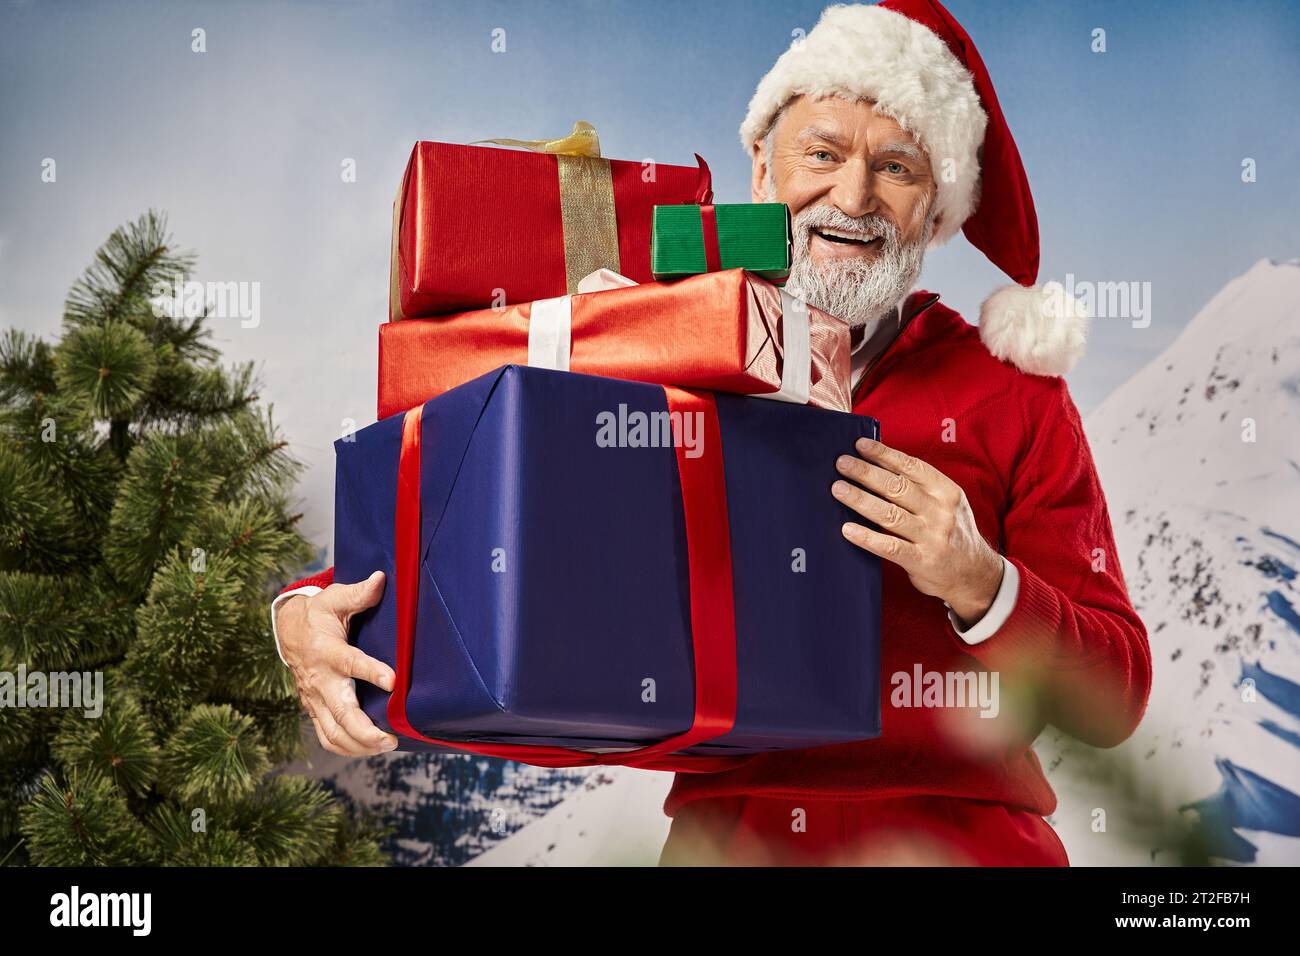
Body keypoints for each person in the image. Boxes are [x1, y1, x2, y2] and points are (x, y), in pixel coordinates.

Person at [272, 0, 1152, 866]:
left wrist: (979, 580)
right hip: (728, 839)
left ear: (937, 211)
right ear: (763, 173)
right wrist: (306, 611)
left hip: (967, 843)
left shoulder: (1011, 394)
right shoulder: (673, 340)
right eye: (823, 152)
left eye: (897, 167)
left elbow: (1114, 697)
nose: (852, 196)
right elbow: (495, 504)